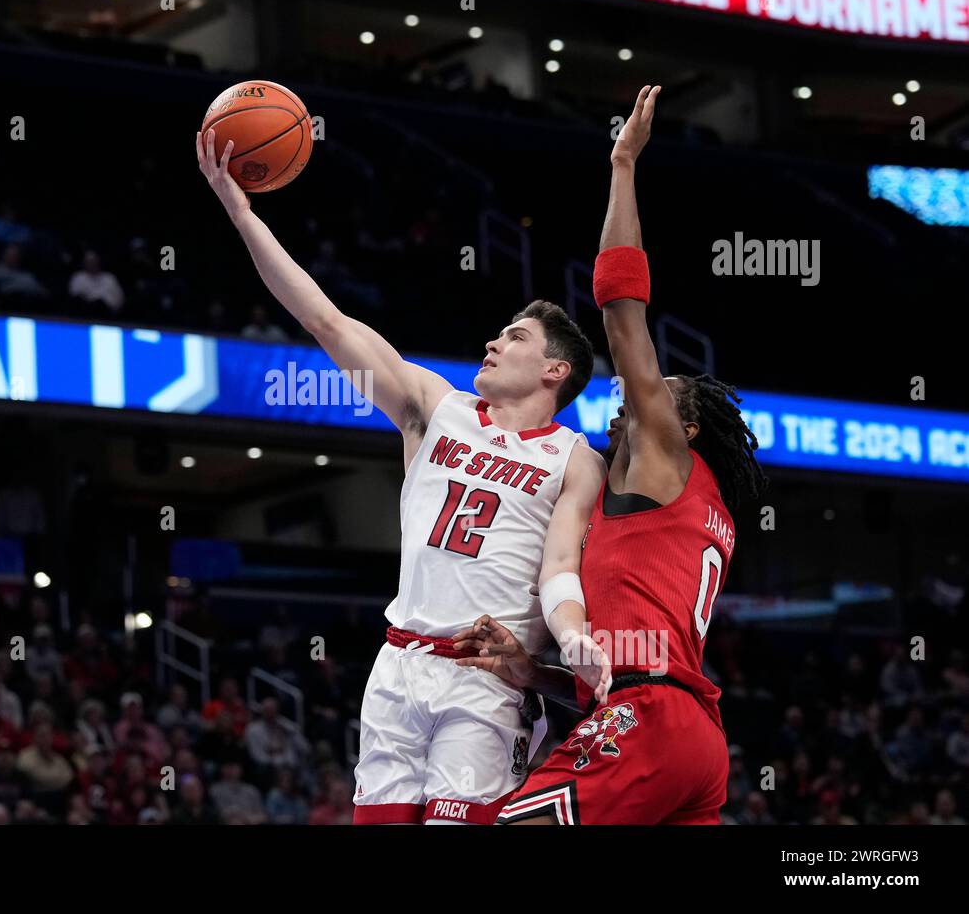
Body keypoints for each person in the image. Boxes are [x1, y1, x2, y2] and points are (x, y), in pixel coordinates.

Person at [198, 127, 601, 825]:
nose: (492, 342)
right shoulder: (432, 406)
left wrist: (571, 640)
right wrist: (243, 215)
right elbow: (324, 319)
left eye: (515, 338)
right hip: (398, 666)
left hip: (487, 677)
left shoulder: (574, 456)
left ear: (554, 371)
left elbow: (560, 566)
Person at [459, 86, 768, 825]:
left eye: (659, 392)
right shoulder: (679, 509)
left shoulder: (665, 458)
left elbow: (621, 306)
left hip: (654, 722)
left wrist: (623, 165)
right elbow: (619, 663)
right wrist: (532, 671)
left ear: (684, 427)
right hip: (689, 736)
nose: (638, 393)